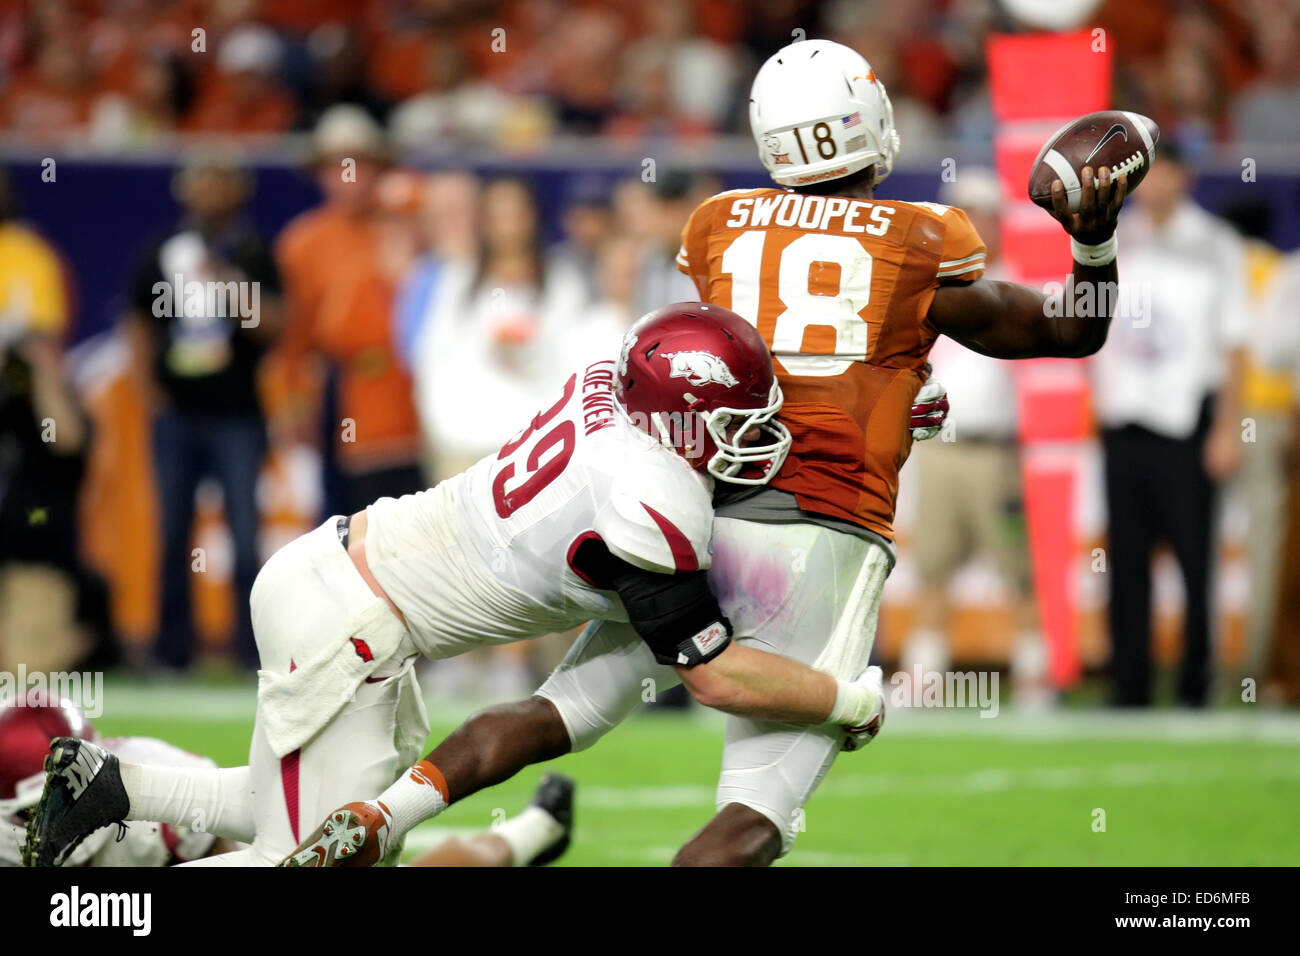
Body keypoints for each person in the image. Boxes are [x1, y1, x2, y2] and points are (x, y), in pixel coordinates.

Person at [252, 37, 1127, 868]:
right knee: (756, 811)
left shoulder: (717, 226)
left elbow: (742, 355)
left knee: (566, 708)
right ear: (869, 119)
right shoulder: (921, 235)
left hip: (704, 512)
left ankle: (389, 812)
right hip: (822, 531)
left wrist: (896, 385)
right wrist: (1093, 240)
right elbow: (1066, 331)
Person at [25, 304, 888, 868]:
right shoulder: (653, 506)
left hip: (338, 582)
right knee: (300, 864)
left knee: (293, 810)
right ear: (675, 421)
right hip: (353, 618)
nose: (758, 439)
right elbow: (718, 675)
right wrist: (850, 700)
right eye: (736, 424)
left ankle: (115, 788)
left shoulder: (615, 389)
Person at [1092, 141, 1249, 707]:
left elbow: (1235, 343)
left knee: (1194, 561)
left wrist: (1229, 426)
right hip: (1123, 418)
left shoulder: (1215, 245)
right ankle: (1127, 687)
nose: (1152, 186)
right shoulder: (1111, 238)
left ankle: (1193, 686)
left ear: (1185, 177)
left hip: (1187, 422)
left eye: (1163, 174)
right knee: (1126, 562)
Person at [127, 151, 282, 670]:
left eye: (220, 179)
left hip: (237, 413)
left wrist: (229, 282)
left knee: (243, 533)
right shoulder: (163, 250)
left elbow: (272, 325)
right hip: (178, 415)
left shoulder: (254, 250)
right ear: (184, 191)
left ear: (238, 190)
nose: (209, 191)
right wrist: (148, 389)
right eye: (200, 179)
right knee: (172, 531)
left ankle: (249, 652)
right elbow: (140, 322)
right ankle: (171, 653)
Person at [901, 168, 1047, 706]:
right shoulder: (925, 288)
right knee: (932, 565)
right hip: (940, 448)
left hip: (996, 450)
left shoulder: (1017, 285)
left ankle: (1034, 675)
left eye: (979, 213)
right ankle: (925, 676)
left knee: (1018, 567)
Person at [1, 692, 223, 866]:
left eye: (64, 796)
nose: (51, 821)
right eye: (30, 811)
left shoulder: (158, 790)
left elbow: (227, 851)